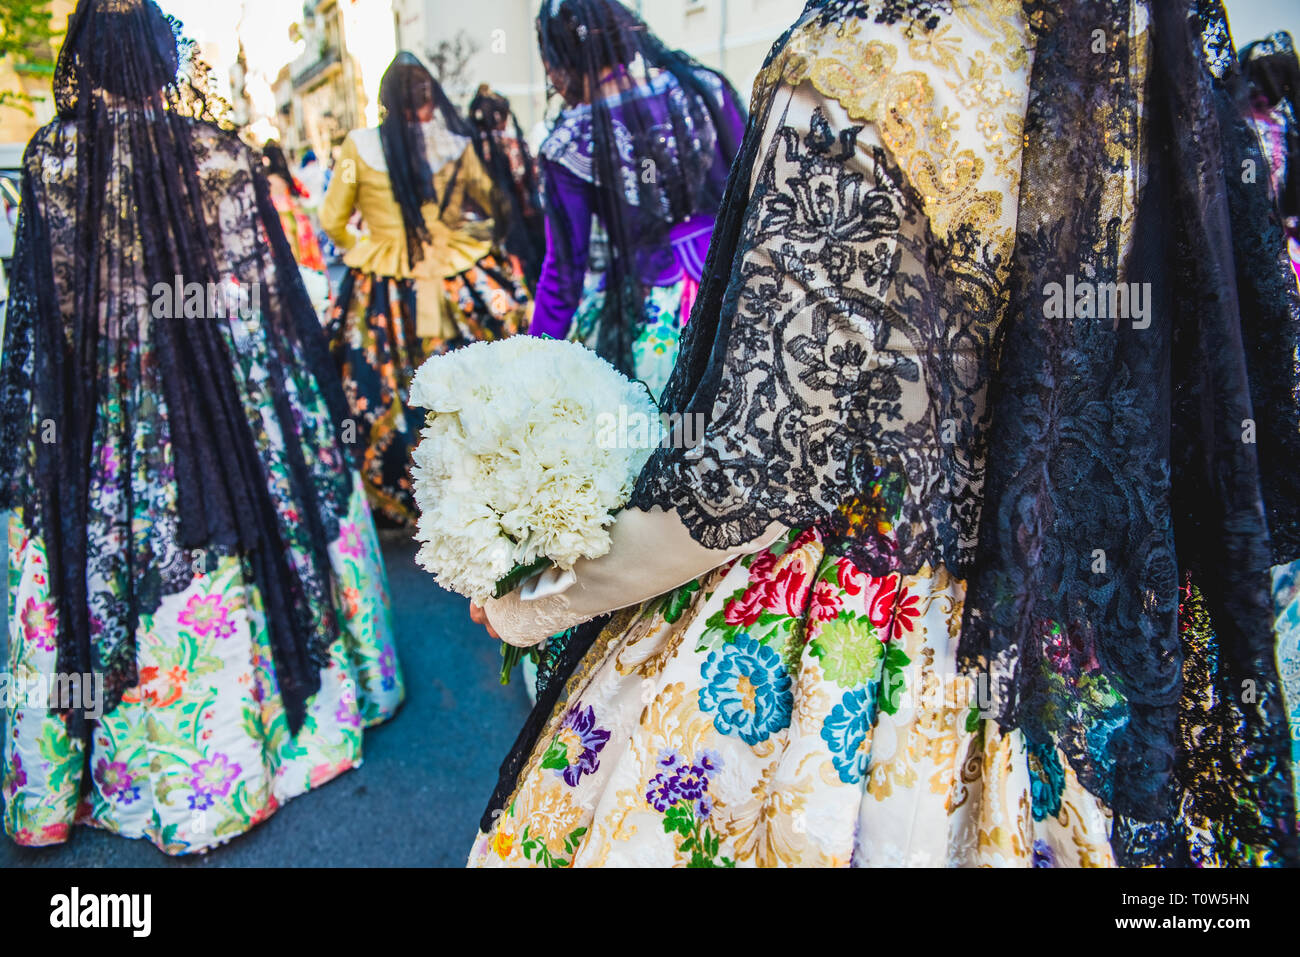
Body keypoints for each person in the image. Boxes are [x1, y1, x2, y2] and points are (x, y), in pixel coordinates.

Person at [468, 0, 1300, 868]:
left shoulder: (864, 66)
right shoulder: (1125, 64)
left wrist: (537, 594)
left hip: (852, 650)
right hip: (1046, 650)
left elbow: (752, 476)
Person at [0, 0, 403, 855]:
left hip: (108, 396)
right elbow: (263, 296)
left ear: (85, 59)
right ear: (163, 55)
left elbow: (46, 313)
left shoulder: (53, 161)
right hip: (226, 386)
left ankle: (133, 772)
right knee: (251, 554)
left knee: (109, 570)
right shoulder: (220, 153)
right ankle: (271, 743)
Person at [321, 52, 531, 528]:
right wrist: (466, 243)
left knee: (384, 385)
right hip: (453, 277)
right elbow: (496, 211)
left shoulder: (359, 146)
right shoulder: (456, 145)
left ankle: (405, 490)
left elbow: (332, 220)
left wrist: (370, 248)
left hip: (383, 290)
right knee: (471, 377)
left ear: (384, 100)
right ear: (431, 97)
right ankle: (482, 483)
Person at [528, 0, 746, 400]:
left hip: (651, 309)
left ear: (562, 61)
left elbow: (564, 273)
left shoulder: (569, 142)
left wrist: (528, 362)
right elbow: (755, 191)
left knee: (662, 434)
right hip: (734, 286)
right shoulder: (702, 88)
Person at [468, 85, 546, 289]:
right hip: (517, 231)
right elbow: (527, 189)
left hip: (478, 238)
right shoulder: (513, 146)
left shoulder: (467, 151)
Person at [263, 140, 330, 316]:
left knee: (287, 264)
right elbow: (305, 193)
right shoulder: (288, 178)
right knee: (305, 264)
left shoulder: (267, 180)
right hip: (298, 222)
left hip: (280, 222)